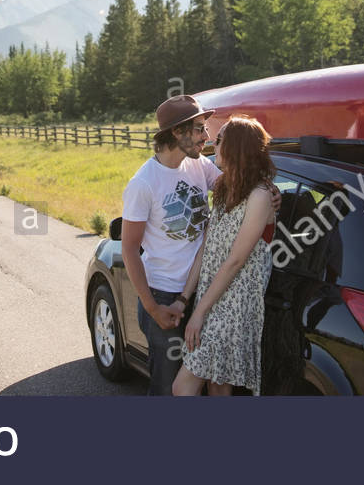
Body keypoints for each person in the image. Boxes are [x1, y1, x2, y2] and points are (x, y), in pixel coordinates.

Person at [120, 95, 279, 395]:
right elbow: (129, 250)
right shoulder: (143, 184)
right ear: (177, 132)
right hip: (163, 295)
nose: (205, 137)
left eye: (207, 130)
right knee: (169, 387)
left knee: (208, 383)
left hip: (202, 292)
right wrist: (153, 308)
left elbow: (238, 184)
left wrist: (271, 194)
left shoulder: (199, 165)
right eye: (199, 129)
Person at [173, 115, 276, 396]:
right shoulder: (223, 189)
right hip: (211, 298)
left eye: (219, 141)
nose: (213, 146)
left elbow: (236, 260)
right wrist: (185, 299)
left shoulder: (260, 196)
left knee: (182, 388)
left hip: (235, 306)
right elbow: (206, 249)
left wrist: (199, 314)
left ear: (236, 148)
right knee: (218, 387)